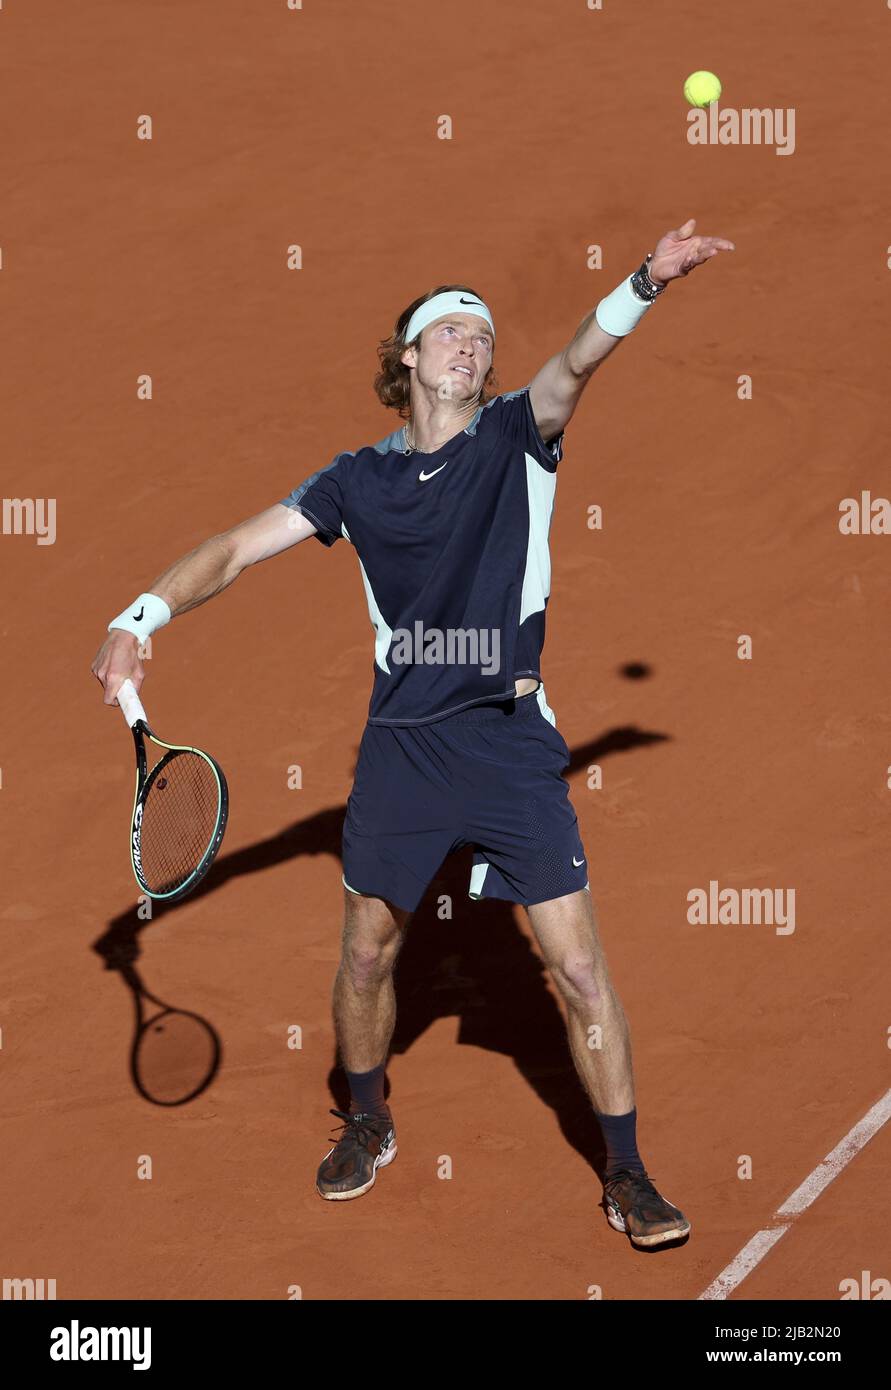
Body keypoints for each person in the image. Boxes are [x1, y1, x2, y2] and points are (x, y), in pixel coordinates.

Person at [92, 218, 734, 1249]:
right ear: (407, 357)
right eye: (449, 330)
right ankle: (369, 1116)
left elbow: (575, 361)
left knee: (576, 971)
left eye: (482, 332)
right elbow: (235, 548)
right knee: (362, 959)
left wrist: (645, 283)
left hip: (510, 743)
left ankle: (626, 1169)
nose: (471, 343)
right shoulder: (357, 480)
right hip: (402, 752)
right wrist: (139, 618)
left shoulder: (521, 435)